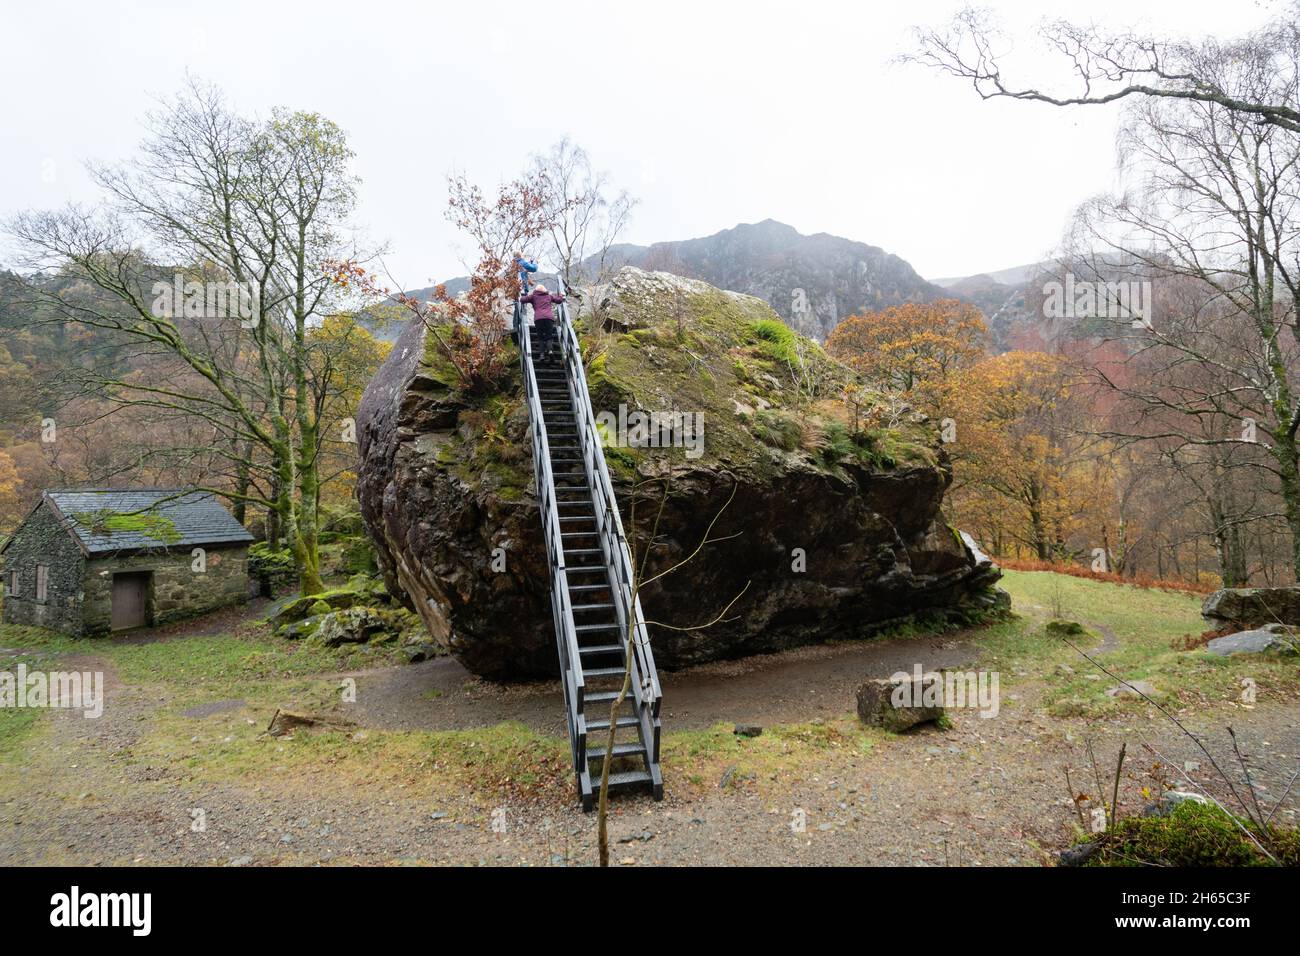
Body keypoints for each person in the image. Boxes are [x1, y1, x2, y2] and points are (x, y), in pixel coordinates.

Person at [521, 283, 565, 360]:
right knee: (549, 336)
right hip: (549, 318)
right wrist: (561, 295)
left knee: (540, 337)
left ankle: (542, 355)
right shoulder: (549, 296)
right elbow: (559, 300)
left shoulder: (533, 297)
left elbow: (522, 300)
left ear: (536, 290)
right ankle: (550, 351)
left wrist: (523, 295)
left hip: (538, 319)